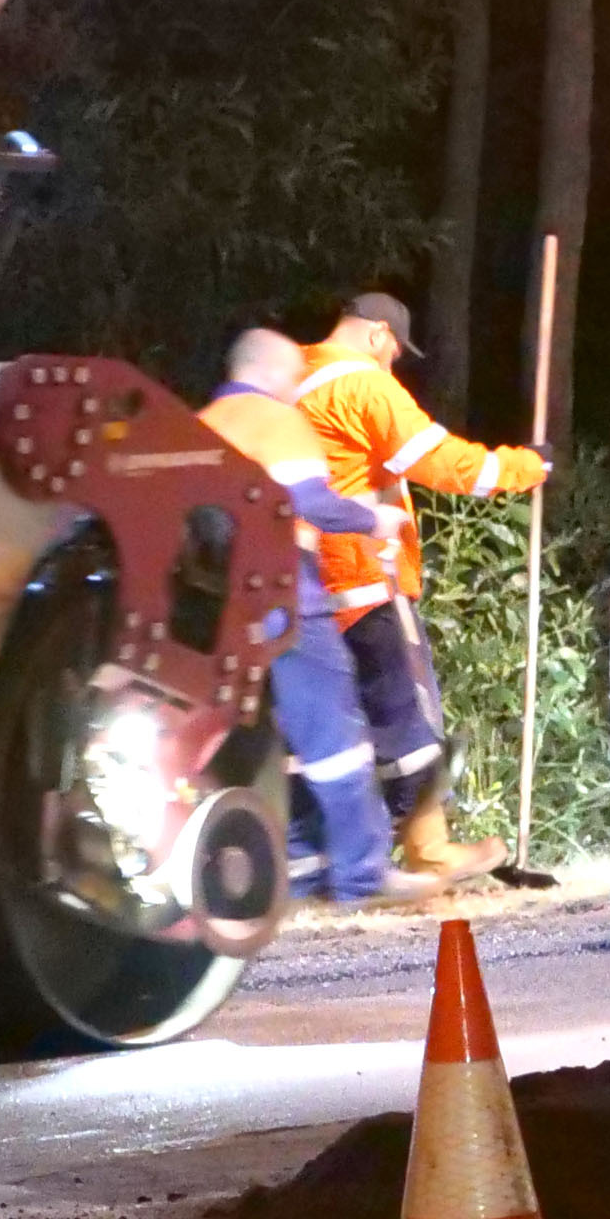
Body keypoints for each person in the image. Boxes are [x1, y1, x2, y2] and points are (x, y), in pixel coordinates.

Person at [292, 291, 542, 881]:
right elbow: (445, 464)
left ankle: (315, 861)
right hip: (363, 577)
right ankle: (429, 852)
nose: (393, 364)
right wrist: (529, 467)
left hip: (297, 588)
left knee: (328, 728)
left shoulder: (288, 380)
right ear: (379, 335)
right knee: (411, 721)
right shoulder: (363, 385)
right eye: (395, 352)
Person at [201, 329, 444, 908]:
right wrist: (370, 520)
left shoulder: (204, 423)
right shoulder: (276, 421)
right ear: (274, 374)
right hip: (288, 600)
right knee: (339, 739)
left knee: (278, 744)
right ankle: (363, 874)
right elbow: (306, 500)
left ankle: (303, 871)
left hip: (217, 613)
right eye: (294, 377)